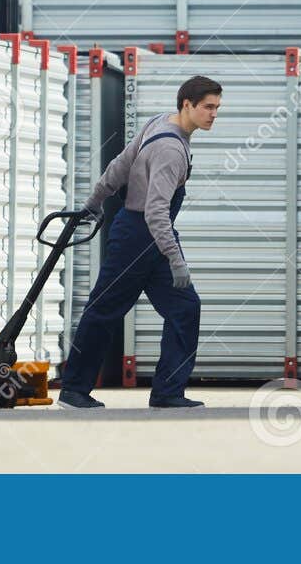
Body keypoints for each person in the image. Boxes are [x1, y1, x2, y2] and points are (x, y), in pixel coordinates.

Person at [56, 75, 222, 409]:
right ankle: (73, 390)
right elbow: (157, 213)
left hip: (145, 235)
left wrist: (94, 201)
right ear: (187, 104)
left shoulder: (158, 122)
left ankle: (167, 393)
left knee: (185, 308)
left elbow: (119, 166)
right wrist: (176, 260)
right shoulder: (171, 150)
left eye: (217, 108)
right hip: (141, 237)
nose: (213, 114)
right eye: (208, 107)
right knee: (105, 310)